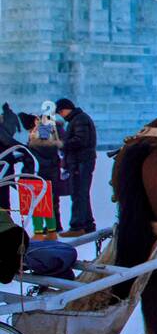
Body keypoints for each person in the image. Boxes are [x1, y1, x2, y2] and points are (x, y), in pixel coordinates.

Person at [55, 97, 96, 237]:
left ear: (66, 109)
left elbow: (80, 140)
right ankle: (88, 224)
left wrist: (62, 144)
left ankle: (77, 226)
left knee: (78, 194)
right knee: (81, 194)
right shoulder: (77, 119)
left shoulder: (80, 120)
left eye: (60, 112)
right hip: (79, 161)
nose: (61, 115)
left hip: (81, 162)